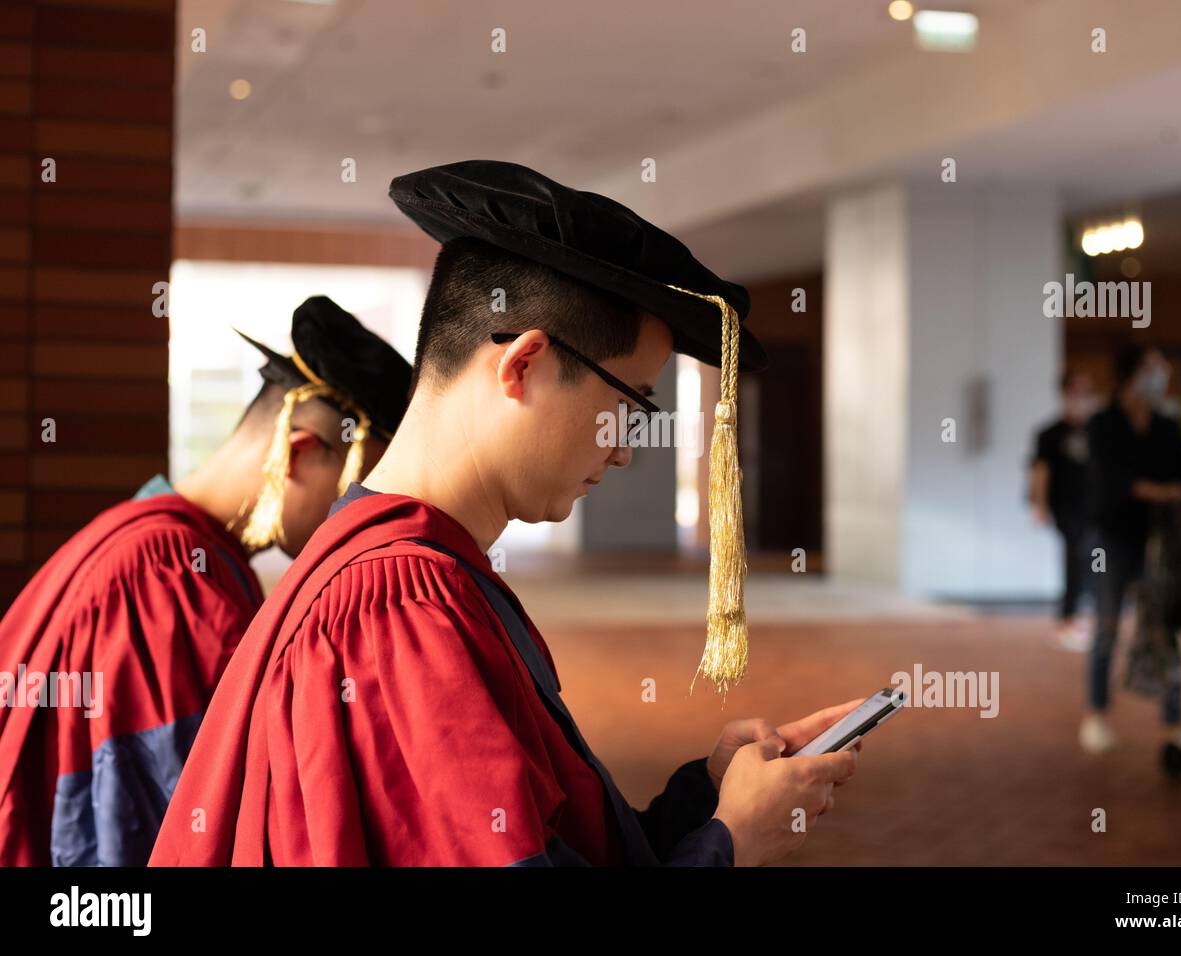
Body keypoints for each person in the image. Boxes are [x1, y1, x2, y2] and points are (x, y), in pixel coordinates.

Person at [149, 159, 863, 867]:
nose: (625, 452)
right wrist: (731, 845)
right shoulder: (401, 609)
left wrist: (705, 803)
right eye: (629, 406)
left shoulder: (402, 567)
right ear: (523, 366)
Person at [0, 296, 411, 865]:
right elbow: (170, 824)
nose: (362, 516)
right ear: (300, 452)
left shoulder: (167, 547)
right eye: (361, 487)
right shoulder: (165, 578)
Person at [1081, 345, 1181, 754]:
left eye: (1162, 369)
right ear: (1129, 374)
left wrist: (1158, 491)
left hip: (1158, 540)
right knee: (1107, 628)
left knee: (1165, 628)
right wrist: (1154, 489)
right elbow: (1110, 480)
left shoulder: (1167, 426)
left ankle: (1174, 722)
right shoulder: (1103, 423)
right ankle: (1096, 713)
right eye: (1151, 368)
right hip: (1111, 538)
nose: (1159, 376)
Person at [1029, 370, 1100, 651]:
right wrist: (1039, 503)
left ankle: (1081, 614)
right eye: (1076, 393)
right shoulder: (1051, 434)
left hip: (1095, 507)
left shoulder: (1098, 431)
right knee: (1075, 556)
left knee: (1090, 559)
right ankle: (1070, 615)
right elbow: (1040, 470)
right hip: (1067, 507)